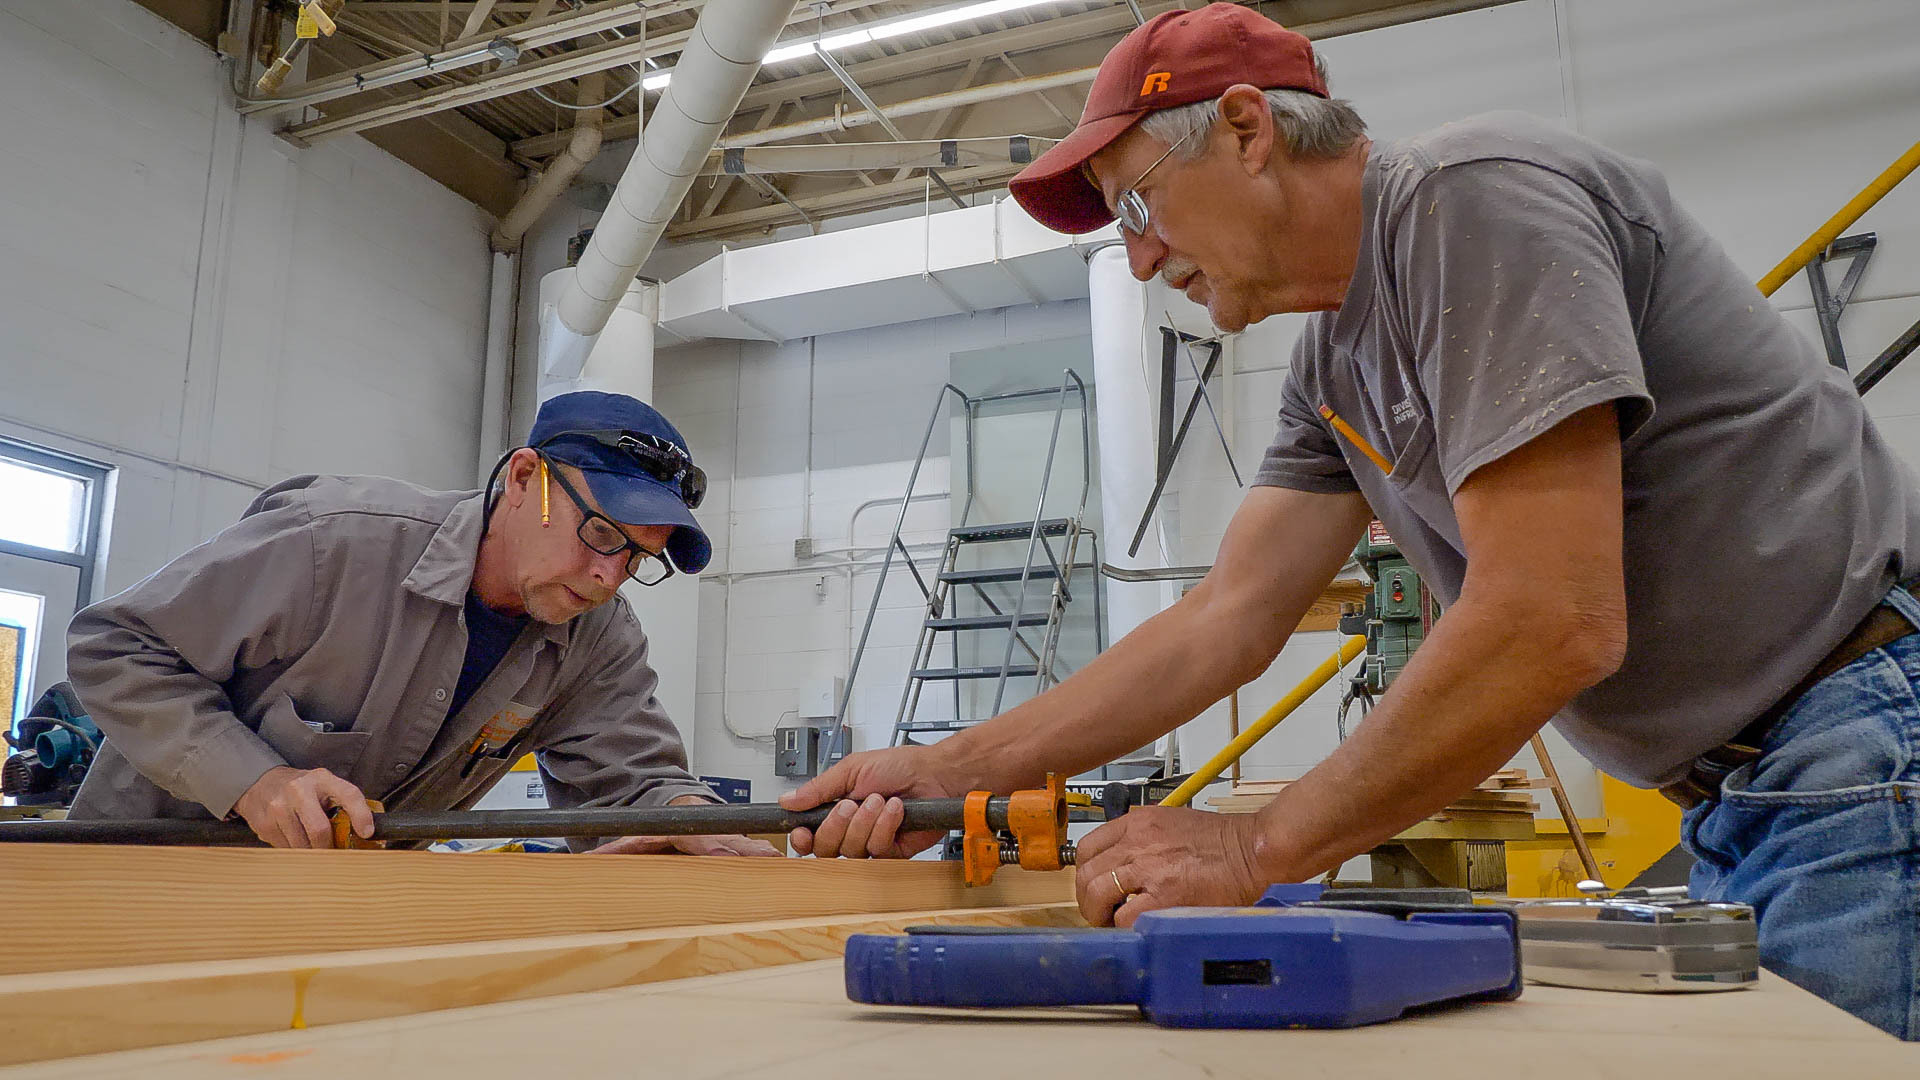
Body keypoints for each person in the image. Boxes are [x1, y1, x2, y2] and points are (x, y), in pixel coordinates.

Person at [780, 4, 1920, 1039]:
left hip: (1857, 739)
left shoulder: (1474, 200)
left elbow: (1553, 617)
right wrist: (947, 769)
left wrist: (1256, 846)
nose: (1135, 260)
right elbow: (1228, 618)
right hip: (1760, 786)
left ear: (1243, 128)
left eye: (1136, 205)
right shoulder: (1334, 358)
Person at [67, 390, 776, 858]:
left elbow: (630, 783)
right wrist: (254, 781)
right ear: (524, 477)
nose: (608, 577)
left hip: (333, 914)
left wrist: (694, 820)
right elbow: (117, 647)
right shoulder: (333, 543)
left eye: (637, 559)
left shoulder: (600, 637)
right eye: (600, 533)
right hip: (147, 874)